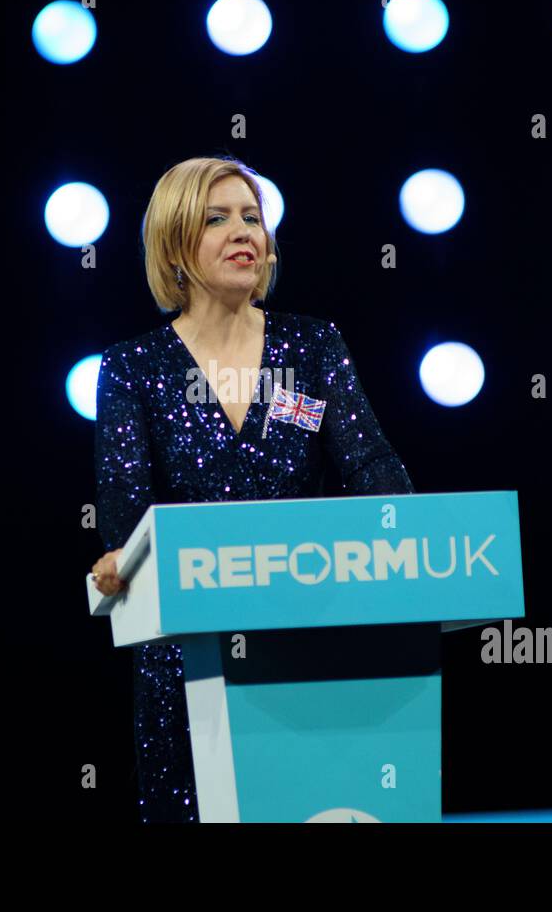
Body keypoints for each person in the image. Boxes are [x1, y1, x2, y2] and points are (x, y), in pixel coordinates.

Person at [90, 155, 414, 822]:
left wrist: (395, 531)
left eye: (252, 217)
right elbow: (125, 518)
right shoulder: (132, 368)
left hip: (308, 637)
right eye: (217, 219)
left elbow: (376, 471)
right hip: (188, 661)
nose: (244, 231)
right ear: (176, 246)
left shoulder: (313, 346)